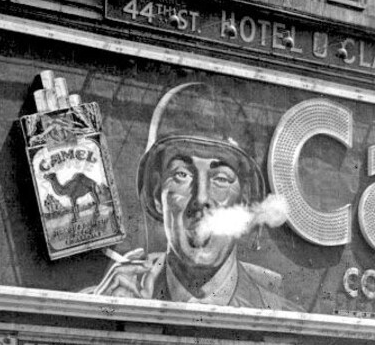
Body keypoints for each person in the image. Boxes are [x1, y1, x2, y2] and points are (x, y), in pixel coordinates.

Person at [81, 82, 301, 311]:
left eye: (221, 179)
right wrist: (102, 317)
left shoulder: (285, 316)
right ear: (157, 194)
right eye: (181, 174)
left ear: (244, 201)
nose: (201, 198)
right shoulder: (101, 300)